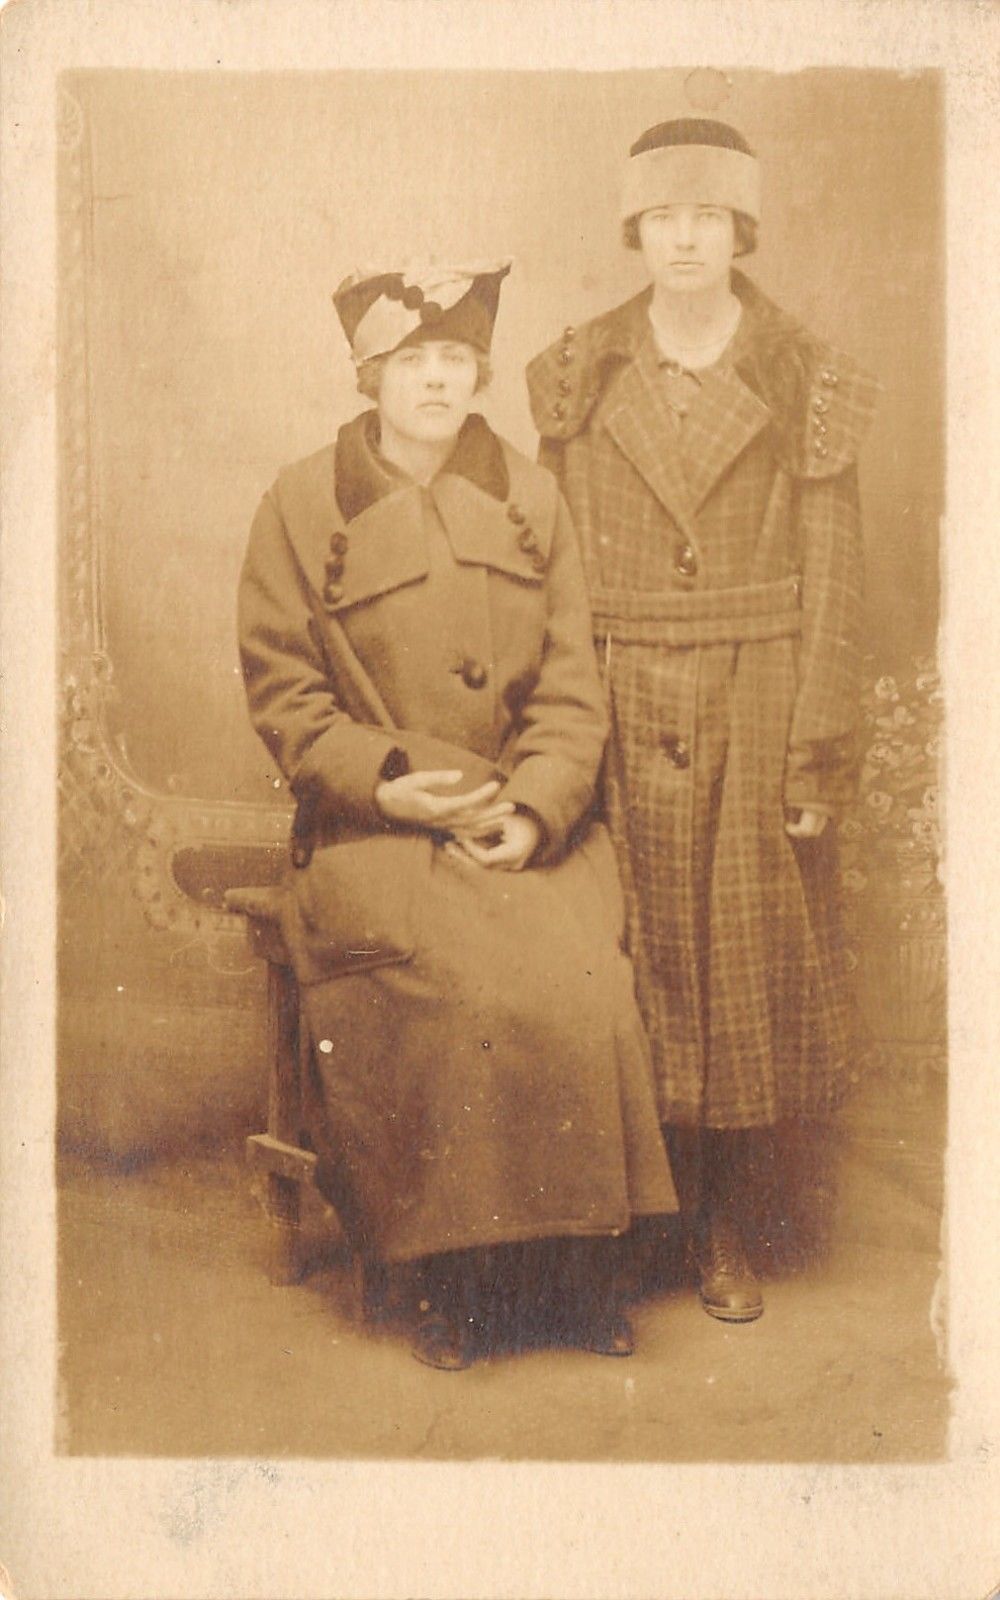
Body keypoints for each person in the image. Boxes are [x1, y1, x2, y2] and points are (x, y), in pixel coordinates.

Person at [237, 260, 677, 1369]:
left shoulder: (532, 497)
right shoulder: (302, 501)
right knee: (450, 986)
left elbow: (575, 690)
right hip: (374, 826)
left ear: (476, 373)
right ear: (369, 374)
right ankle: (449, 1280)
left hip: (516, 816)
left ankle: (573, 1276)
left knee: (579, 983)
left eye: (453, 361)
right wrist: (384, 780)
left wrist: (533, 813)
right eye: (409, 362)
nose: (434, 381)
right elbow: (286, 696)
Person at [527, 118, 878, 1323]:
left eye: (709, 218)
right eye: (663, 218)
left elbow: (832, 571)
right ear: (635, 230)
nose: (685, 240)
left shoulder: (799, 372)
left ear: (741, 231)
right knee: (630, 953)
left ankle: (722, 1220)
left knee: (734, 970)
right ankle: (643, 1218)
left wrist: (813, 739)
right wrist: (556, 728)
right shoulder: (578, 371)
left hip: (753, 685)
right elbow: (553, 567)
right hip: (618, 684)